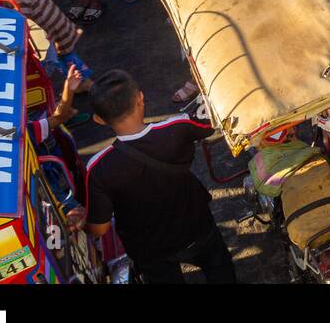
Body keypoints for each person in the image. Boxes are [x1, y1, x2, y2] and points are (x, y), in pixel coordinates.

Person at [85, 70, 237, 284]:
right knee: (219, 270)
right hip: (197, 228)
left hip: (150, 249)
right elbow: (210, 118)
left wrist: (82, 218)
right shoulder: (178, 128)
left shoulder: (99, 166)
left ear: (99, 119)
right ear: (140, 98)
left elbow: (99, 228)